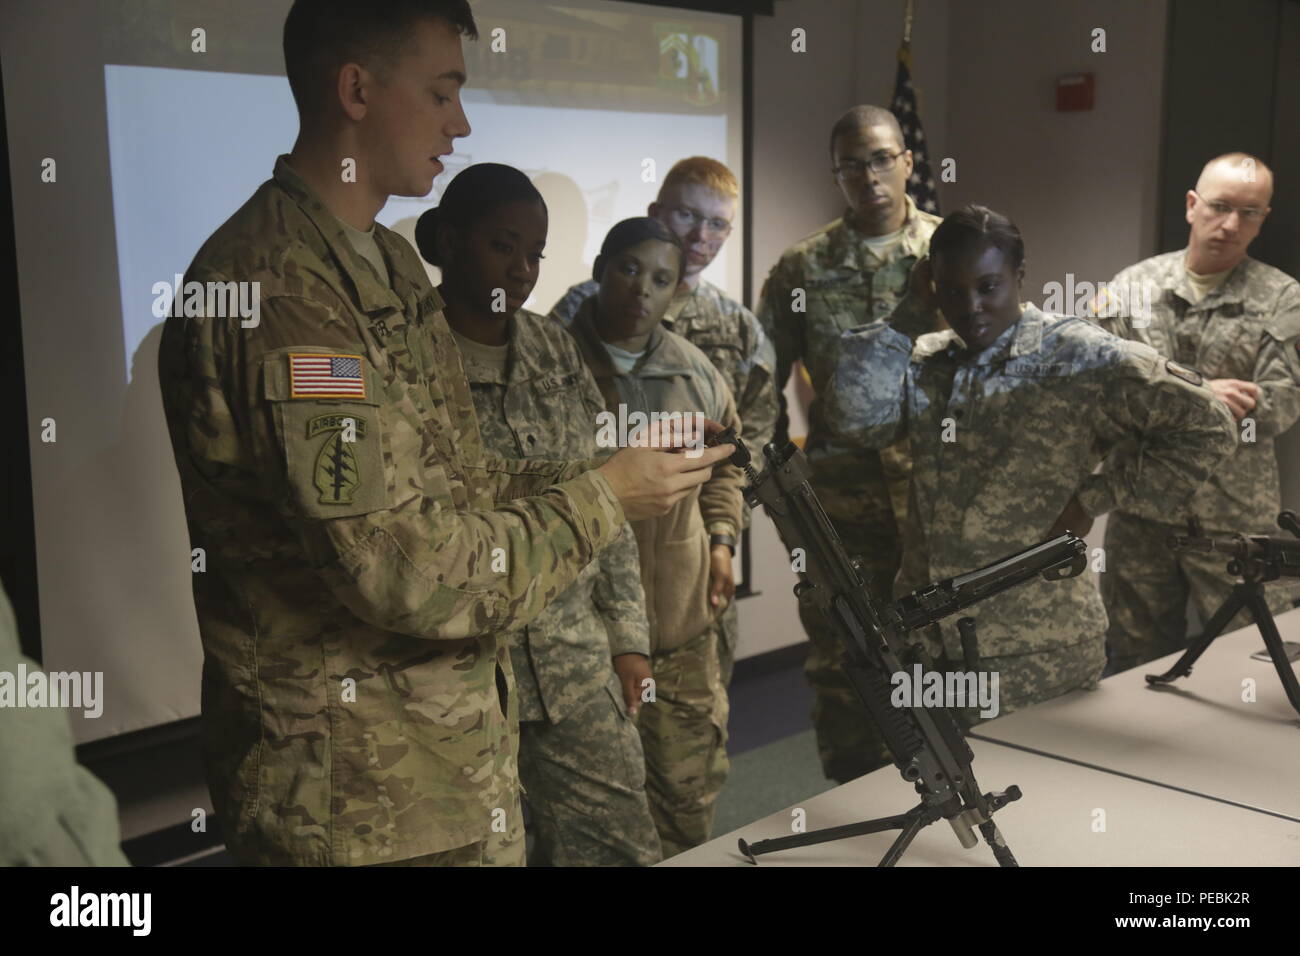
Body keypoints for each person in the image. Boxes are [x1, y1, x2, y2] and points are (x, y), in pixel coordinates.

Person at [156, 0, 733, 867]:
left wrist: (614, 470)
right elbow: (399, 568)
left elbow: (447, 482)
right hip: (355, 793)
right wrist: (604, 495)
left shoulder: (381, 264)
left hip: (447, 754)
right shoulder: (281, 289)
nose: (460, 124)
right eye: (441, 93)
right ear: (356, 88)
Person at [822, 205, 1235, 725]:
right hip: (932, 640)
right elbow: (855, 422)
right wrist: (906, 315)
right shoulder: (928, 359)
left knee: (1042, 796)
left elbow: (1209, 424)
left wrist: (1094, 498)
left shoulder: (1077, 357)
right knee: (948, 793)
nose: (970, 306)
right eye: (950, 290)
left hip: (1036, 647)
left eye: (988, 286)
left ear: (1019, 277)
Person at [413, 164, 661, 866]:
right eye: (503, 246)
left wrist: (628, 640)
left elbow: (606, 496)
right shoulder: (405, 358)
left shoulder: (555, 350)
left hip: (574, 667)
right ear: (453, 240)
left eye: (535, 254)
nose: (522, 270)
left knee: (621, 849)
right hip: (455, 684)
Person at [755, 104, 941, 783]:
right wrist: (783, 498)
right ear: (836, 174)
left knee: (942, 661)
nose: (868, 175)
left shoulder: (952, 254)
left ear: (909, 161)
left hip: (937, 501)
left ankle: (948, 796)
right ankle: (854, 805)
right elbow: (758, 390)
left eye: (881, 158)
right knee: (844, 664)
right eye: (851, 164)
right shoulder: (803, 266)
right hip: (837, 509)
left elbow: (1002, 376)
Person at [551, 157, 778, 684]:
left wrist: (719, 537)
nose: (701, 235)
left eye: (718, 223)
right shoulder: (578, 314)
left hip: (686, 572)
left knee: (694, 747)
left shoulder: (735, 326)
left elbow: (750, 441)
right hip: (591, 576)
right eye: (686, 215)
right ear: (657, 211)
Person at [565, 217, 744, 857]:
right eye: (629, 269)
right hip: (581, 645)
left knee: (686, 799)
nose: (643, 289)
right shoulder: (552, 362)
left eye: (662, 279)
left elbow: (727, 470)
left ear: (677, 295)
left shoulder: (696, 374)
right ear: (600, 269)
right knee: (589, 822)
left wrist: (722, 540)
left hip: (679, 630)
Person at [1091, 153, 1300, 673]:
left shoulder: (1282, 298)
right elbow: (1102, 396)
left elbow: (1280, 404)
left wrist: (1160, 392)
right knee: (1131, 660)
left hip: (1234, 520)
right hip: (1141, 511)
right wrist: (1204, 393)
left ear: (1263, 218)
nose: (1230, 225)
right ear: (1192, 205)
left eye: (1248, 213)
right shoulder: (1130, 290)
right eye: (1220, 207)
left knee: (1248, 662)